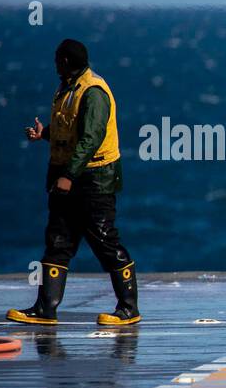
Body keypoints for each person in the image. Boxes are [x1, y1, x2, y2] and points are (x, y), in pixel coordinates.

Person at [9, 39, 139, 326]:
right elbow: (71, 127)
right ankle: (45, 309)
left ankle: (129, 308)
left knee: (105, 240)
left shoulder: (93, 92)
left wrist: (69, 176)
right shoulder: (69, 88)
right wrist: (45, 134)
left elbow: (91, 138)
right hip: (67, 176)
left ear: (66, 61)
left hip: (94, 180)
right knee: (58, 241)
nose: (54, 63)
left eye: (57, 58)